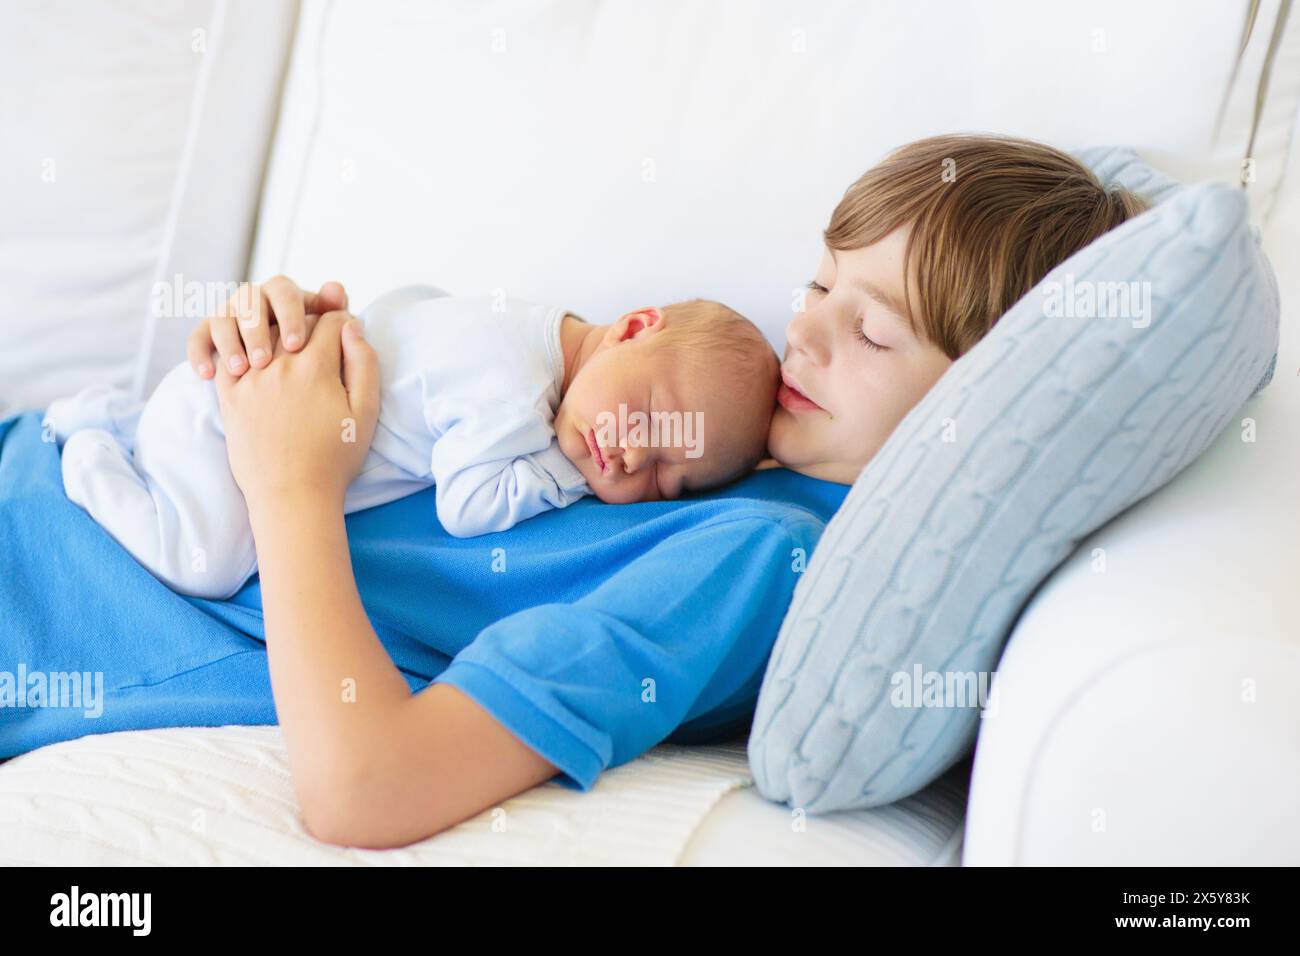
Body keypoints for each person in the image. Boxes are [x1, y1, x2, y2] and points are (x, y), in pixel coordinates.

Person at [2, 133, 1144, 848]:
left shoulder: (761, 555)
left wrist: (284, 470)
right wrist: (272, 351)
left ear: (984, 403)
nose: (802, 329)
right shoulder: (730, 436)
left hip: (47, 595)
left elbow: (366, 788)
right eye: (817, 283)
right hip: (65, 460)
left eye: (871, 330)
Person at [43, 291, 776, 598]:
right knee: (204, 566)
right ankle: (88, 450)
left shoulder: (520, 320)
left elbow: (405, 302)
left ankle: (124, 425)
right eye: (649, 420)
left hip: (226, 405)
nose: (627, 457)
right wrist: (568, 478)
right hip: (226, 422)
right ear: (637, 325)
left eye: (666, 481)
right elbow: (466, 505)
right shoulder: (517, 393)